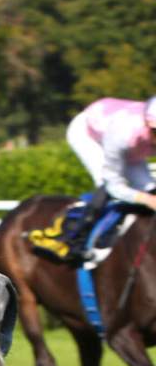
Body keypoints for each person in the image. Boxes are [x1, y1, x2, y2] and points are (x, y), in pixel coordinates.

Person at [61, 96, 156, 258]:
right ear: (149, 125)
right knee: (105, 184)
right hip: (89, 135)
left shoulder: (148, 129)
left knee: (149, 187)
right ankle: (78, 238)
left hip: (132, 142)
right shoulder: (123, 133)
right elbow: (114, 185)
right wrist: (147, 200)